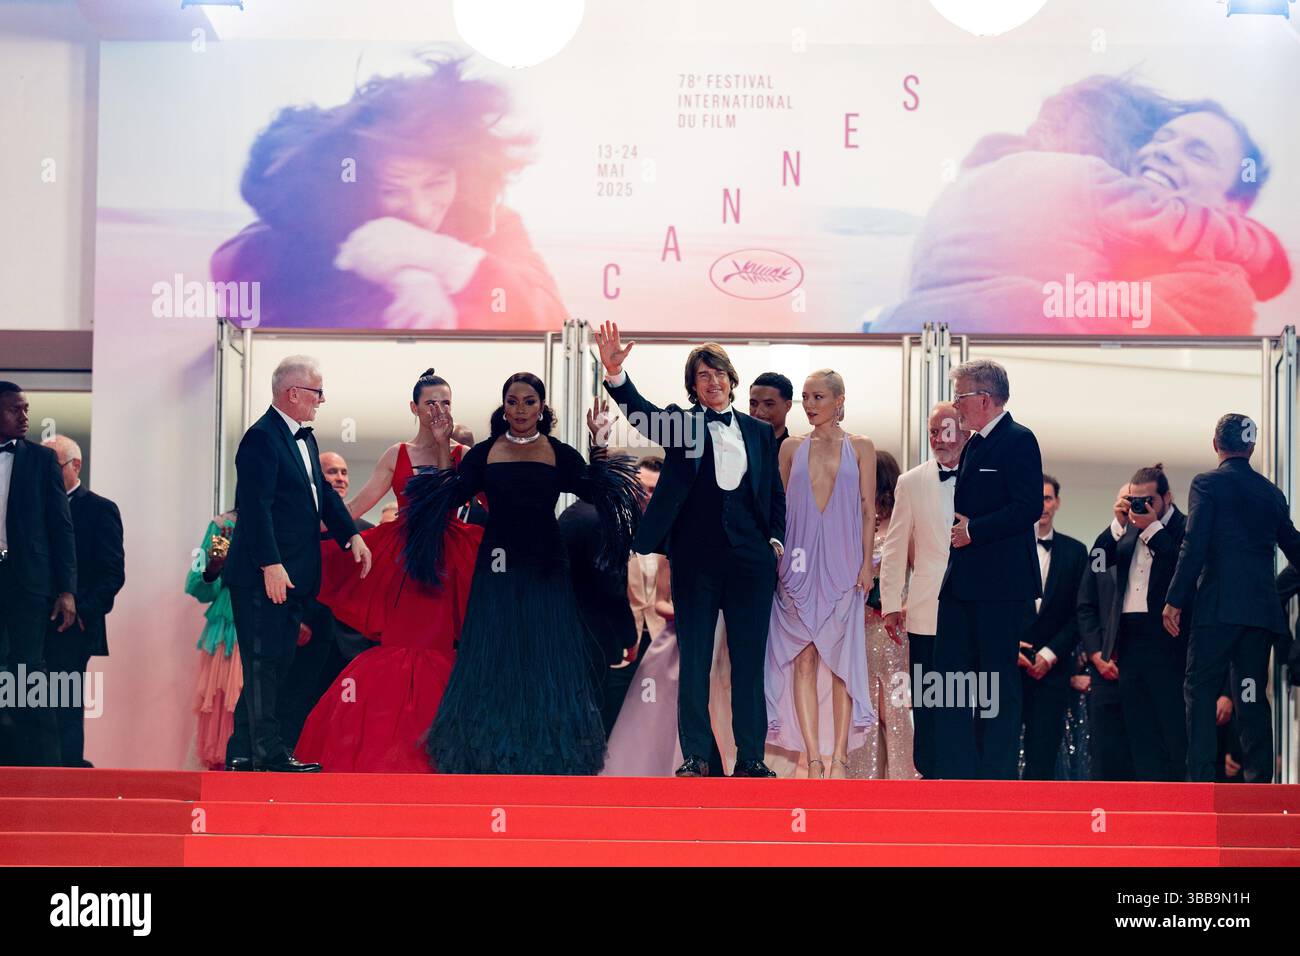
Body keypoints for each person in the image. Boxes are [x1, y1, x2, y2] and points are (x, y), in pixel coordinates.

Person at [871, 76, 1289, 335]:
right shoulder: (1087, 195)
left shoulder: (1217, 286)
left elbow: (1056, 318)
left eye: (1198, 154)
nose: (1164, 153)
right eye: (1160, 140)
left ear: (1236, 205)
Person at [211, 56, 564, 331]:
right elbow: (236, 269)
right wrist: (396, 271)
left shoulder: (494, 224)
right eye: (392, 189)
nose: (420, 209)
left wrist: (443, 258)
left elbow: (550, 321)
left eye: (436, 182)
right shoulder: (322, 220)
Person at [409, 373, 641, 775]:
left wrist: (600, 442)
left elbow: (595, 489)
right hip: (497, 566)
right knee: (494, 655)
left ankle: (547, 755)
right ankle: (485, 754)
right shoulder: (484, 453)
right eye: (513, 401)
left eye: (529, 402)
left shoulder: (557, 452)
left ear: (542, 407)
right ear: (503, 406)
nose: (520, 410)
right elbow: (450, 494)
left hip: (546, 564)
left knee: (544, 657)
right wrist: (444, 444)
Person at [596, 322, 786, 778]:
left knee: (748, 664)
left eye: (719, 372)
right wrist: (616, 373)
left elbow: (773, 494)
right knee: (695, 662)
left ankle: (751, 758)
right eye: (703, 375)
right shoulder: (682, 425)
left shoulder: (759, 433)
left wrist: (775, 542)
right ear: (694, 386)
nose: (713, 381)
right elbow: (639, 412)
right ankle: (697, 757)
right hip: (696, 561)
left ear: (732, 379)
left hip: (750, 561)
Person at [294, 370, 483, 772]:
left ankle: (443, 754)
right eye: (430, 403)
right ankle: (385, 754)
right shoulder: (395, 454)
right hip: (403, 559)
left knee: (440, 650)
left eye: (446, 403)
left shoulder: (465, 457)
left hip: (447, 560)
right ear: (413, 407)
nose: (439, 410)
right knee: (398, 649)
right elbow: (358, 506)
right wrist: (306, 529)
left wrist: (442, 446)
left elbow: (461, 495)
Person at [222, 357, 371, 772]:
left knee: (276, 662)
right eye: (316, 392)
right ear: (293, 393)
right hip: (261, 577)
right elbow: (254, 508)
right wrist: (270, 563)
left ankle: (246, 750)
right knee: (263, 663)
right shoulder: (260, 438)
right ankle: (265, 753)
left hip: (295, 576)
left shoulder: (305, 439)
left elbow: (322, 494)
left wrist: (351, 535)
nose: (322, 400)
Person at [1165, 413, 1300, 783]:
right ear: (1251, 447)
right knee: (1251, 694)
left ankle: (1203, 782)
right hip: (1258, 615)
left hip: (1218, 611)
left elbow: (1195, 544)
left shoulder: (1208, 484)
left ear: (1215, 445)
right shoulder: (1272, 493)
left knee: (1201, 691)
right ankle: (1259, 784)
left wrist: (1174, 599)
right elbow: (1295, 549)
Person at [934, 360, 1043, 780]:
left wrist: (974, 531)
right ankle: (958, 770)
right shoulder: (975, 444)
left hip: (1000, 585)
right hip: (962, 584)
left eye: (960, 396)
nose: (955, 406)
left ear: (983, 398)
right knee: (953, 680)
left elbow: (1027, 506)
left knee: (998, 681)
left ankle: (996, 775)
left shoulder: (1019, 440)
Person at [765, 371, 877, 779]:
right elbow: (775, 510)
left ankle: (841, 758)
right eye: (806, 397)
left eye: (818, 397)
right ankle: (813, 759)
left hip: (844, 565)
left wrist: (866, 565)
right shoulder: (791, 448)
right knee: (804, 659)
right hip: (796, 567)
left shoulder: (861, 447)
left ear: (839, 399)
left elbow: (868, 510)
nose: (810, 405)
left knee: (844, 662)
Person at [880, 401, 968, 779]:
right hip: (925, 606)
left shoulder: (985, 475)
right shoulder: (911, 481)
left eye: (945, 430)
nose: (938, 438)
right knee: (929, 696)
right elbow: (896, 546)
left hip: (973, 607)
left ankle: (966, 774)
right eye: (932, 431)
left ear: (965, 432)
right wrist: (889, 604)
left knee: (969, 695)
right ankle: (930, 775)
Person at [1093, 464, 1191, 781]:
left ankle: (1179, 808)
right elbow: (1096, 564)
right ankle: (1149, 805)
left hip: (1167, 639)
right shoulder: (1127, 530)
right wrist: (1118, 525)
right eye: (1134, 500)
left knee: (1172, 729)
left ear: (1167, 497)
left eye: (1147, 500)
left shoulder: (1185, 528)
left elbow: (1185, 570)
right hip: (1130, 640)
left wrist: (1152, 530)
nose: (1140, 507)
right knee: (1139, 729)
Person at [277, 450, 377, 752]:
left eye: (344, 472)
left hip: (355, 642)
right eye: (332, 472)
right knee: (299, 708)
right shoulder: (298, 528)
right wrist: (298, 620)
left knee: (350, 716)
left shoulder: (369, 531)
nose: (340, 478)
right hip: (306, 635)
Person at [0, 383, 76, 767]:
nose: (25, 416)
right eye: (16, 409)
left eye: (26, 409)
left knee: (29, 671)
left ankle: (44, 765)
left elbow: (61, 528)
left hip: (28, 582)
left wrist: (67, 590)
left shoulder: (42, 461)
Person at [40, 435, 125, 768]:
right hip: (30, 622)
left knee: (65, 705)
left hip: (73, 627)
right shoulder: (31, 507)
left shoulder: (100, 509)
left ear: (75, 465)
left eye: (53, 465)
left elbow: (111, 574)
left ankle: (65, 776)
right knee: (24, 702)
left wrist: (80, 610)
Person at [850, 451, 918, 779]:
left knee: (894, 706)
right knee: (862, 707)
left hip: (892, 631)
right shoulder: (855, 522)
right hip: (859, 629)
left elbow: (924, 574)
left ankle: (905, 775)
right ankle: (864, 779)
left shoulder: (902, 526)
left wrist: (903, 607)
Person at [1018, 474, 1087, 779]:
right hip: (1009, 669)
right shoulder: (1007, 551)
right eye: (1037, 498)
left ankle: (1037, 823)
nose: (1042, 505)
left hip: (1054, 670)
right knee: (1000, 751)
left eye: (1047, 498)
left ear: (1057, 502)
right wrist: (1009, 649)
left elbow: (1080, 613)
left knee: (1043, 754)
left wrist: (1050, 654)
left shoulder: (1076, 552)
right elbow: (994, 610)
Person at [1076, 486, 1135, 781]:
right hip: (1105, 671)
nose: (1132, 505)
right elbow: (1086, 606)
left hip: (1145, 669)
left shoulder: (1166, 540)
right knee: (1105, 754)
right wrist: (1097, 654)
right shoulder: (1104, 543)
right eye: (1128, 498)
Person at [185, 510, 241, 769]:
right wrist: (214, 568)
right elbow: (196, 581)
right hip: (229, 626)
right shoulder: (221, 526)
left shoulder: (286, 518)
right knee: (223, 703)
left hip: (274, 620)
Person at [749, 372, 794, 447]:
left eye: (768, 404)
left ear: (787, 406)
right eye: (753, 404)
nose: (758, 413)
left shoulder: (795, 452)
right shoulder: (738, 445)